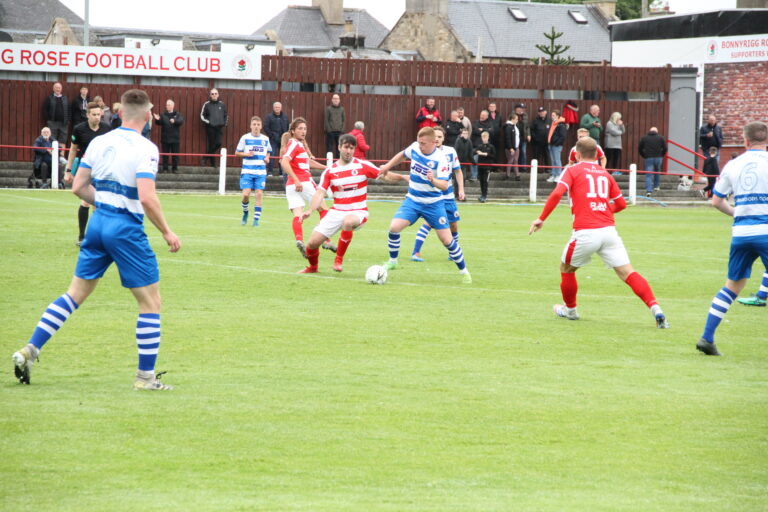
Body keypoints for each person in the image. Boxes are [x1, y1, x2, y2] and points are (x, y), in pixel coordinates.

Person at [12, 88, 181, 390]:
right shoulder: (146, 148)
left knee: (73, 295)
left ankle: (30, 349)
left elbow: (78, 186)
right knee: (151, 302)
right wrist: (167, 231)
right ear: (147, 116)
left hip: (98, 222)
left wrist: (104, 201)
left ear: (119, 113)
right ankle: (145, 377)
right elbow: (146, 196)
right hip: (125, 228)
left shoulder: (100, 142)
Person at [529, 136, 669, 329]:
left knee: (566, 269)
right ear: (596, 155)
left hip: (586, 232)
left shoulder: (572, 170)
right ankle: (656, 309)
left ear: (577, 155)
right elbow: (621, 204)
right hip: (609, 232)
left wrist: (541, 218)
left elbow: (557, 193)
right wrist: (601, 209)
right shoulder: (605, 174)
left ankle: (570, 311)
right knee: (627, 272)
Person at [696, 121, 768, 355]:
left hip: (741, 233)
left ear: (745, 141)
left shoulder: (733, 164)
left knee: (732, 286)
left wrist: (737, 212)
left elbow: (716, 201)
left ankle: (707, 337)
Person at [379, 126, 472, 284]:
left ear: (433, 143)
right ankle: (393, 261)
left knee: (447, 240)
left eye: (423, 143)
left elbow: (444, 185)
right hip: (413, 200)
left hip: (433, 204)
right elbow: (402, 155)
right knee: (394, 227)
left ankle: (464, 271)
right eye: (419, 142)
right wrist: (387, 166)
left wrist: (432, 180)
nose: (420, 146)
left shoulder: (441, 159)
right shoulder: (415, 147)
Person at [298, 134, 393, 274]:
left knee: (347, 221)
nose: (348, 151)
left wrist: (403, 177)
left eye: (352, 148)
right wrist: (310, 210)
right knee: (312, 244)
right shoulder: (330, 171)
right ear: (339, 147)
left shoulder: (362, 165)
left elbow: (385, 175)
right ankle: (313, 268)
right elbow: (319, 193)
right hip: (336, 211)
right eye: (346, 147)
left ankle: (338, 260)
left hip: (358, 211)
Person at [280, 117, 335, 258]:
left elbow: (308, 162)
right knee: (324, 210)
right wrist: (297, 179)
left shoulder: (298, 145)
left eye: (305, 129)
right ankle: (326, 241)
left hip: (291, 185)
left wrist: (327, 168)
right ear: (293, 131)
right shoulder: (294, 144)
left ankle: (299, 240)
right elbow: (284, 162)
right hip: (303, 182)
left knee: (298, 215)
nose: (303, 131)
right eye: (300, 128)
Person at [411, 126, 465, 261]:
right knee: (428, 223)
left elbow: (458, 171)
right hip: (433, 195)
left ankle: (453, 253)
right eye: (435, 136)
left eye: (440, 137)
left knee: (453, 224)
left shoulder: (450, 151)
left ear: (444, 138)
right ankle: (416, 252)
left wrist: (461, 189)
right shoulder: (425, 152)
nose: (437, 139)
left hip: (448, 195)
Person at [65, 101, 112, 246]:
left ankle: (97, 237)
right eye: (94, 114)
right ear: (87, 115)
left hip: (102, 170)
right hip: (85, 169)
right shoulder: (79, 129)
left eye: (99, 114)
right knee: (86, 201)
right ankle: (81, 237)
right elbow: (73, 150)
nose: (97, 117)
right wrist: (68, 170)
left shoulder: (107, 129)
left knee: (98, 204)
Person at [235, 116, 272, 227]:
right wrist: (247, 154)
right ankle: (245, 213)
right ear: (251, 126)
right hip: (247, 171)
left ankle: (256, 220)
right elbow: (237, 153)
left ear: (261, 126)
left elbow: (269, 151)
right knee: (246, 194)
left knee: (259, 194)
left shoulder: (265, 139)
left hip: (261, 172)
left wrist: (267, 158)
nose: (256, 126)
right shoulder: (245, 138)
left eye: (258, 125)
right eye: (254, 124)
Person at [153, 99, 185, 173]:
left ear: (173, 106)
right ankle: (165, 168)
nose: (167, 106)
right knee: (165, 155)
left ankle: (175, 169)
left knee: (175, 155)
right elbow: (159, 123)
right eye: (166, 105)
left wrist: (175, 121)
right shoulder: (163, 114)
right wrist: (157, 119)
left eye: (168, 105)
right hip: (165, 138)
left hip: (175, 139)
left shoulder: (177, 114)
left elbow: (181, 121)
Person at [200, 88, 228, 167]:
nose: (214, 95)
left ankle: (205, 157)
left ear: (218, 95)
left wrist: (224, 123)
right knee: (211, 145)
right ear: (210, 95)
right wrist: (209, 122)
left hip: (219, 128)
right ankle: (213, 164)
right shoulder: (207, 104)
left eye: (215, 93)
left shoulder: (222, 104)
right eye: (212, 94)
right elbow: (202, 116)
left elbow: (225, 115)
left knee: (218, 143)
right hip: (210, 128)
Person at [638, 127, 667, 197]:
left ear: (650, 131)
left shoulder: (644, 138)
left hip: (648, 158)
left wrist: (644, 155)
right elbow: (665, 148)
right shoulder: (661, 138)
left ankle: (649, 190)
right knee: (657, 172)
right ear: (656, 131)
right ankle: (656, 186)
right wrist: (661, 155)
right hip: (658, 158)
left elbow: (640, 148)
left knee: (648, 174)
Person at [264, 101, 289, 176]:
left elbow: (288, 127)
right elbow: (266, 127)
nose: (277, 108)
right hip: (273, 139)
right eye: (276, 107)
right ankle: (270, 172)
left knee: (283, 156)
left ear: (281, 108)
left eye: (278, 107)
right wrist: (272, 135)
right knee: (272, 155)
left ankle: (282, 173)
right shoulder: (269, 117)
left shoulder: (285, 117)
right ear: (273, 108)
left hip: (283, 139)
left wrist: (285, 136)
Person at [42, 82, 69, 146]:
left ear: (61, 89)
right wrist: (48, 120)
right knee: (52, 139)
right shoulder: (49, 98)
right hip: (52, 123)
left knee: (63, 140)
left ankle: (61, 153)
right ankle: (53, 153)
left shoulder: (65, 98)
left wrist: (68, 120)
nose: (58, 89)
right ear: (53, 89)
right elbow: (45, 109)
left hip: (64, 123)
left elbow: (69, 109)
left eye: (59, 88)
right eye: (56, 88)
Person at [471, 110, 495, 181]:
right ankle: (474, 176)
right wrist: (486, 130)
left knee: (484, 163)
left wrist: (482, 129)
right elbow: (475, 130)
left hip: (485, 147)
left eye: (484, 115)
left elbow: (492, 131)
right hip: (476, 145)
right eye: (481, 115)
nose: (482, 116)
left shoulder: (490, 123)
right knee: (474, 160)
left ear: (487, 116)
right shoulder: (476, 122)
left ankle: (482, 177)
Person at [474, 130, 496, 203]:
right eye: (482, 137)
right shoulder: (480, 146)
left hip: (487, 167)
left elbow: (493, 156)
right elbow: (474, 151)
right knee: (481, 181)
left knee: (485, 181)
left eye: (485, 137)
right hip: (480, 166)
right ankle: (482, 195)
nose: (484, 138)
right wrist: (477, 152)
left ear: (488, 137)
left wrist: (485, 154)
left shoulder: (491, 147)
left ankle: (484, 196)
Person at [547, 110, 567, 182]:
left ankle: (559, 175)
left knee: (557, 160)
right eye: (552, 115)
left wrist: (556, 143)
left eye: (553, 115)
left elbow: (563, 136)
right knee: (553, 160)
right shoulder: (553, 123)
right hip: (551, 144)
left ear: (558, 116)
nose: (552, 117)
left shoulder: (561, 125)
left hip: (556, 145)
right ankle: (554, 174)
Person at [324, 93, 345, 158]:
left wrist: (342, 130)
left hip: (339, 132)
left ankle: (338, 161)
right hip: (331, 132)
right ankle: (329, 161)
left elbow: (344, 120)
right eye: (334, 99)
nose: (336, 100)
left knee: (339, 148)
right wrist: (329, 130)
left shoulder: (342, 109)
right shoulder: (328, 109)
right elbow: (326, 120)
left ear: (339, 100)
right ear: (332, 100)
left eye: (337, 99)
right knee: (329, 148)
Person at [605, 112, 625, 177]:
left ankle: (614, 171)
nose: (619, 119)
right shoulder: (609, 123)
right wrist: (620, 132)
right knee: (608, 158)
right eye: (618, 118)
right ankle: (606, 170)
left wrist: (622, 125)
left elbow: (623, 131)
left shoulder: (619, 124)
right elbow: (613, 132)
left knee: (616, 158)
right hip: (610, 144)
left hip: (618, 144)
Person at [453, 127, 473, 191]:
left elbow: (470, 152)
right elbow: (456, 151)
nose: (465, 135)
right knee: (457, 178)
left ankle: (461, 192)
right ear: (461, 134)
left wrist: (473, 161)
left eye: (466, 133)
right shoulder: (458, 140)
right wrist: (456, 161)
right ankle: (456, 193)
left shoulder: (469, 141)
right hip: (458, 163)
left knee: (463, 178)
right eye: (464, 133)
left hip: (464, 163)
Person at [503, 113, 520, 180]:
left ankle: (517, 175)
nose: (517, 120)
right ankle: (507, 175)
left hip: (516, 147)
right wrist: (510, 148)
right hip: (511, 148)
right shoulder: (508, 127)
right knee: (511, 160)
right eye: (516, 119)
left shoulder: (514, 126)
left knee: (515, 160)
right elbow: (508, 138)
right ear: (512, 119)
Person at [514, 103, 530, 172]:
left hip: (523, 138)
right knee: (515, 153)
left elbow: (527, 126)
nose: (522, 110)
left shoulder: (525, 115)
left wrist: (528, 134)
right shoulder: (512, 115)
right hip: (515, 138)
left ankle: (524, 168)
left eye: (523, 108)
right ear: (516, 109)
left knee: (523, 152)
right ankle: (515, 168)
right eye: (521, 108)